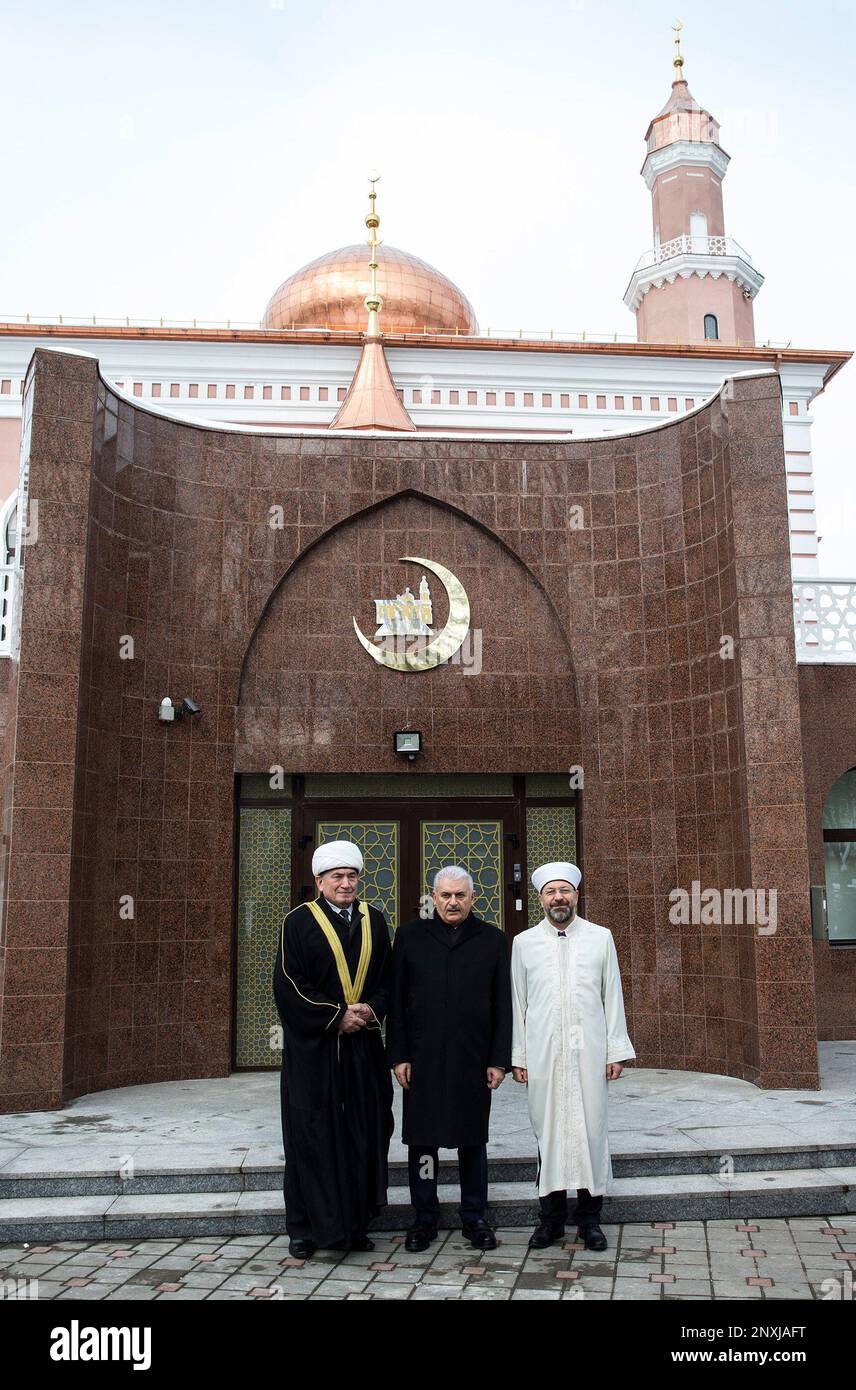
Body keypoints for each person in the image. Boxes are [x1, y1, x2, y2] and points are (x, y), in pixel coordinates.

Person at [272, 839, 394, 1259]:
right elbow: (289, 984)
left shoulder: (375, 919)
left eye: (352, 876)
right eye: (337, 877)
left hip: (363, 1048)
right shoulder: (298, 922)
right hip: (316, 1052)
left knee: (363, 1132)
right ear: (319, 881)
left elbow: (388, 978)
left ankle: (355, 1224)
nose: (346, 883)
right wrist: (334, 1016)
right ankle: (306, 1229)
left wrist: (370, 1010)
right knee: (313, 1136)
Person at [386, 865, 513, 1252]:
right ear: (433, 896)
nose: (453, 902)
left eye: (460, 895)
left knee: (471, 1140)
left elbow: (503, 1006)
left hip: (472, 1059)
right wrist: (399, 1056)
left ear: (473, 898)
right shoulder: (410, 937)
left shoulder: (492, 940)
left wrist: (499, 1059)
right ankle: (425, 1217)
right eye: (445, 895)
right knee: (423, 1142)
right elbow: (397, 1001)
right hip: (421, 1060)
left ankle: (474, 1216)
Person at [511, 860, 635, 1252]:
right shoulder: (524, 943)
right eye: (551, 891)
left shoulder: (601, 938)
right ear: (540, 898)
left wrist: (616, 1050)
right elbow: (518, 1003)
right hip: (544, 1053)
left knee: (591, 1130)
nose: (558, 897)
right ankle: (550, 1221)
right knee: (548, 1132)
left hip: (590, 1052)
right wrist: (520, 1056)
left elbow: (611, 995)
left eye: (565, 890)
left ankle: (590, 1220)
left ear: (577, 895)